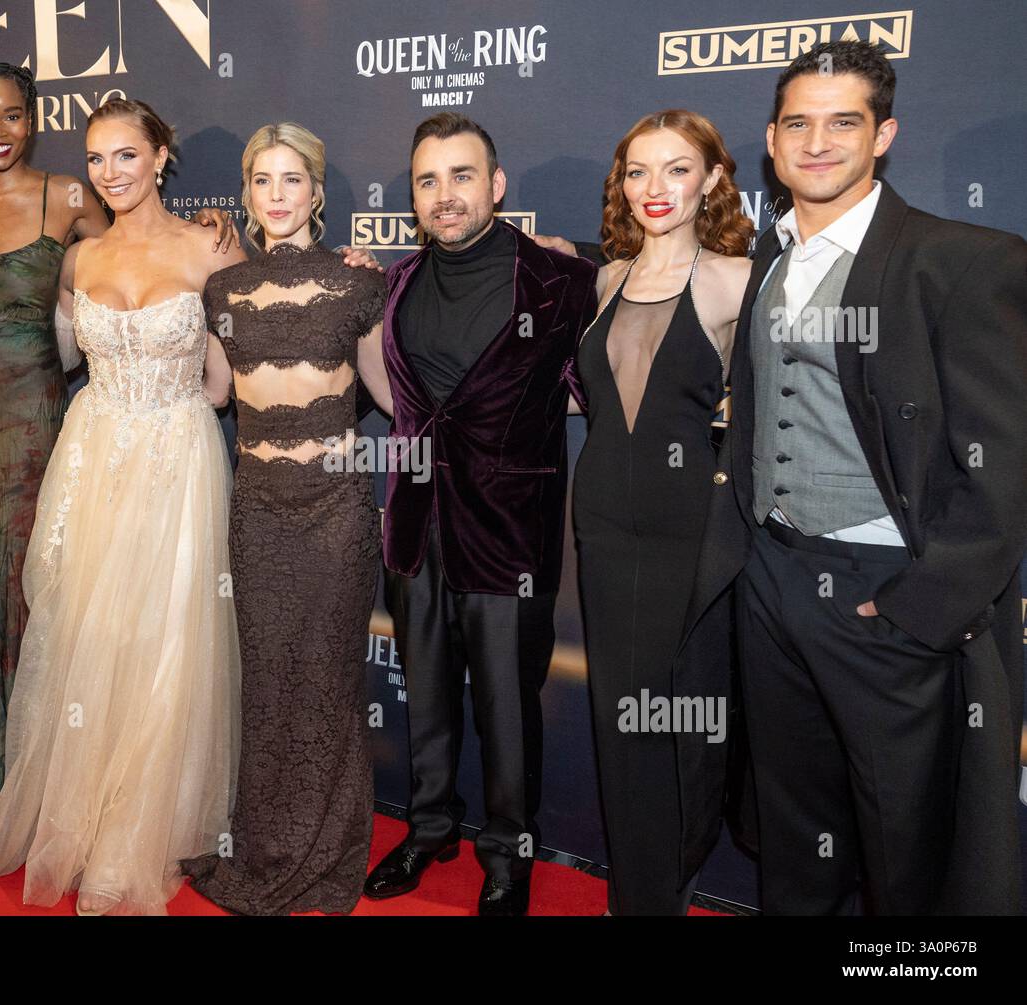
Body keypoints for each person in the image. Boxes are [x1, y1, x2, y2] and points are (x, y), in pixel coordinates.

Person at [708, 40, 1027, 914]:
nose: (818, 143)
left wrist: (916, 609)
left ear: (885, 134)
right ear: (772, 141)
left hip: (881, 594)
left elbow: (1004, 468)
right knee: (794, 818)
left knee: (904, 844)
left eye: (843, 122)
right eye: (798, 124)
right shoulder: (770, 259)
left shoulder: (959, 260)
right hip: (771, 577)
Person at [0, 99, 242, 916]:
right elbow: (59, 353)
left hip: (177, 459)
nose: (110, 172)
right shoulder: (78, 260)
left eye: (127, 155)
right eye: (97, 158)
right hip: (92, 459)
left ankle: (134, 836)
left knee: (163, 642)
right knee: (90, 633)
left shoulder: (210, 249)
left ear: (163, 156)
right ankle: (82, 818)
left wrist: (170, 407)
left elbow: (222, 384)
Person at [363, 113, 598, 916]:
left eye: (462, 176)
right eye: (427, 181)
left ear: (496, 186)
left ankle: (509, 851)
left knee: (507, 703)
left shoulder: (561, 282)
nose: (445, 195)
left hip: (510, 536)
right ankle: (429, 828)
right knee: (424, 694)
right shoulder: (394, 283)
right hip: (416, 526)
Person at [180, 123, 390, 915]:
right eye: (262, 181)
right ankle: (262, 843)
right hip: (258, 510)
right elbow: (214, 395)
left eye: (291, 180)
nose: (276, 195)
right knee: (266, 680)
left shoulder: (356, 285)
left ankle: (327, 848)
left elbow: (390, 394)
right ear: (246, 193)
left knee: (328, 678)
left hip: (336, 510)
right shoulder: (222, 292)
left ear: (318, 193)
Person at [569, 111, 752, 915]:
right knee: (620, 714)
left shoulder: (734, 279)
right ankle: (637, 894)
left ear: (711, 177)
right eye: (637, 171)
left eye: (676, 169)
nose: (654, 189)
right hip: (604, 521)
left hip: (690, 527)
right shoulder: (607, 279)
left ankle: (671, 882)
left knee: (684, 713)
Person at [0, 60, 109, 811]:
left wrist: (203, 228)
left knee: (20, 587)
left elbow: (127, 254)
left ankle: (27, 769)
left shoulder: (67, 196)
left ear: (33, 119)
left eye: (12, 115)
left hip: (33, 419)